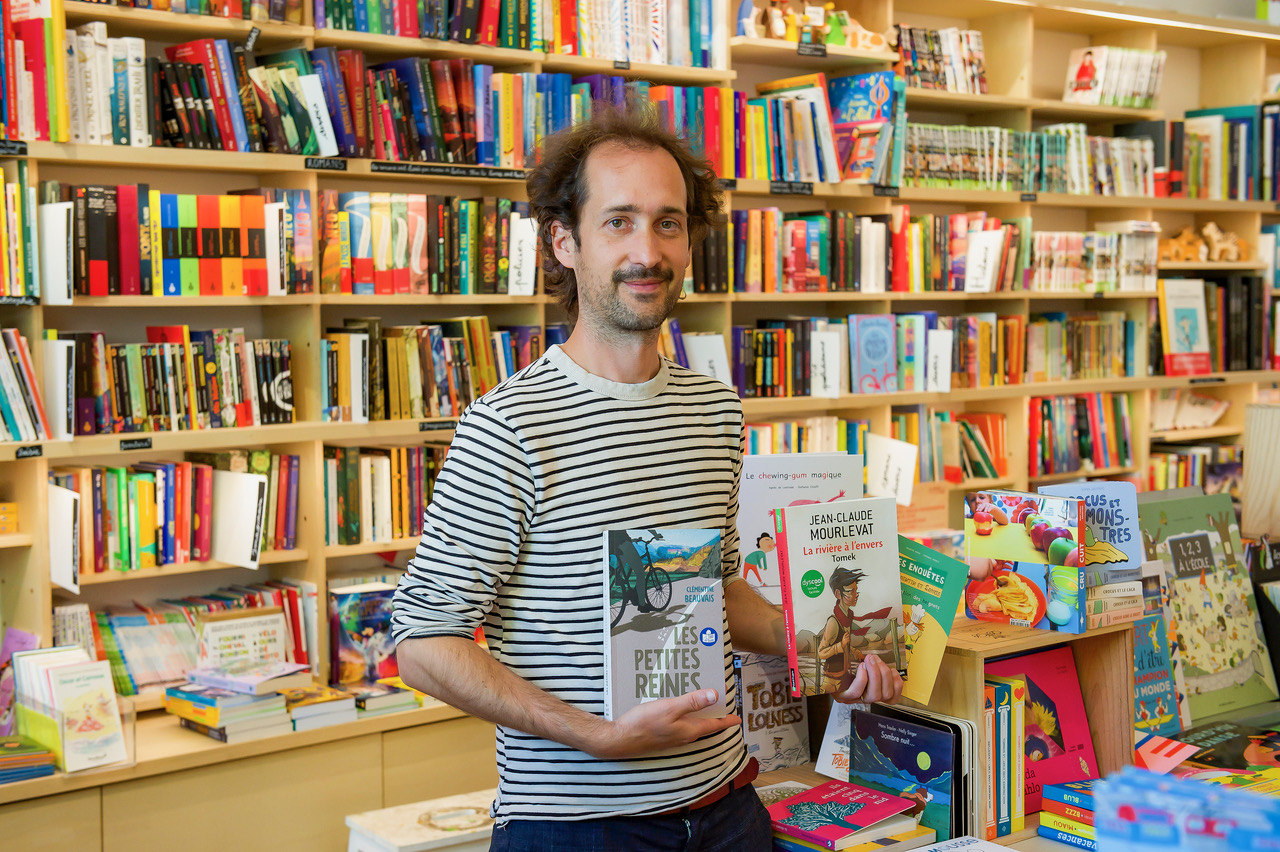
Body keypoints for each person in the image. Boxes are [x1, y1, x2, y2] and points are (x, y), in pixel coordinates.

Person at [390, 106, 902, 852]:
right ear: (564, 241)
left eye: (668, 223)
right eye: (619, 221)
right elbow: (424, 642)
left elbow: (724, 593)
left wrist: (833, 651)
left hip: (728, 807)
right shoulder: (509, 427)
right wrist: (596, 736)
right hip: (578, 829)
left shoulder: (714, 409)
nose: (648, 250)